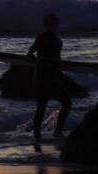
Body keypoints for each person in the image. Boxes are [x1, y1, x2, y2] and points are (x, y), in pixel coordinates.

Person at [27, 12, 72, 144]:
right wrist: (32, 58)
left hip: (54, 77)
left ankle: (57, 130)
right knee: (41, 107)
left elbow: (57, 59)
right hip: (41, 77)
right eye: (51, 24)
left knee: (67, 103)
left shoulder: (58, 40)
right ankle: (37, 135)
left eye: (55, 24)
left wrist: (61, 74)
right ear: (46, 25)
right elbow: (30, 52)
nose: (54, 26)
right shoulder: (42, 37)